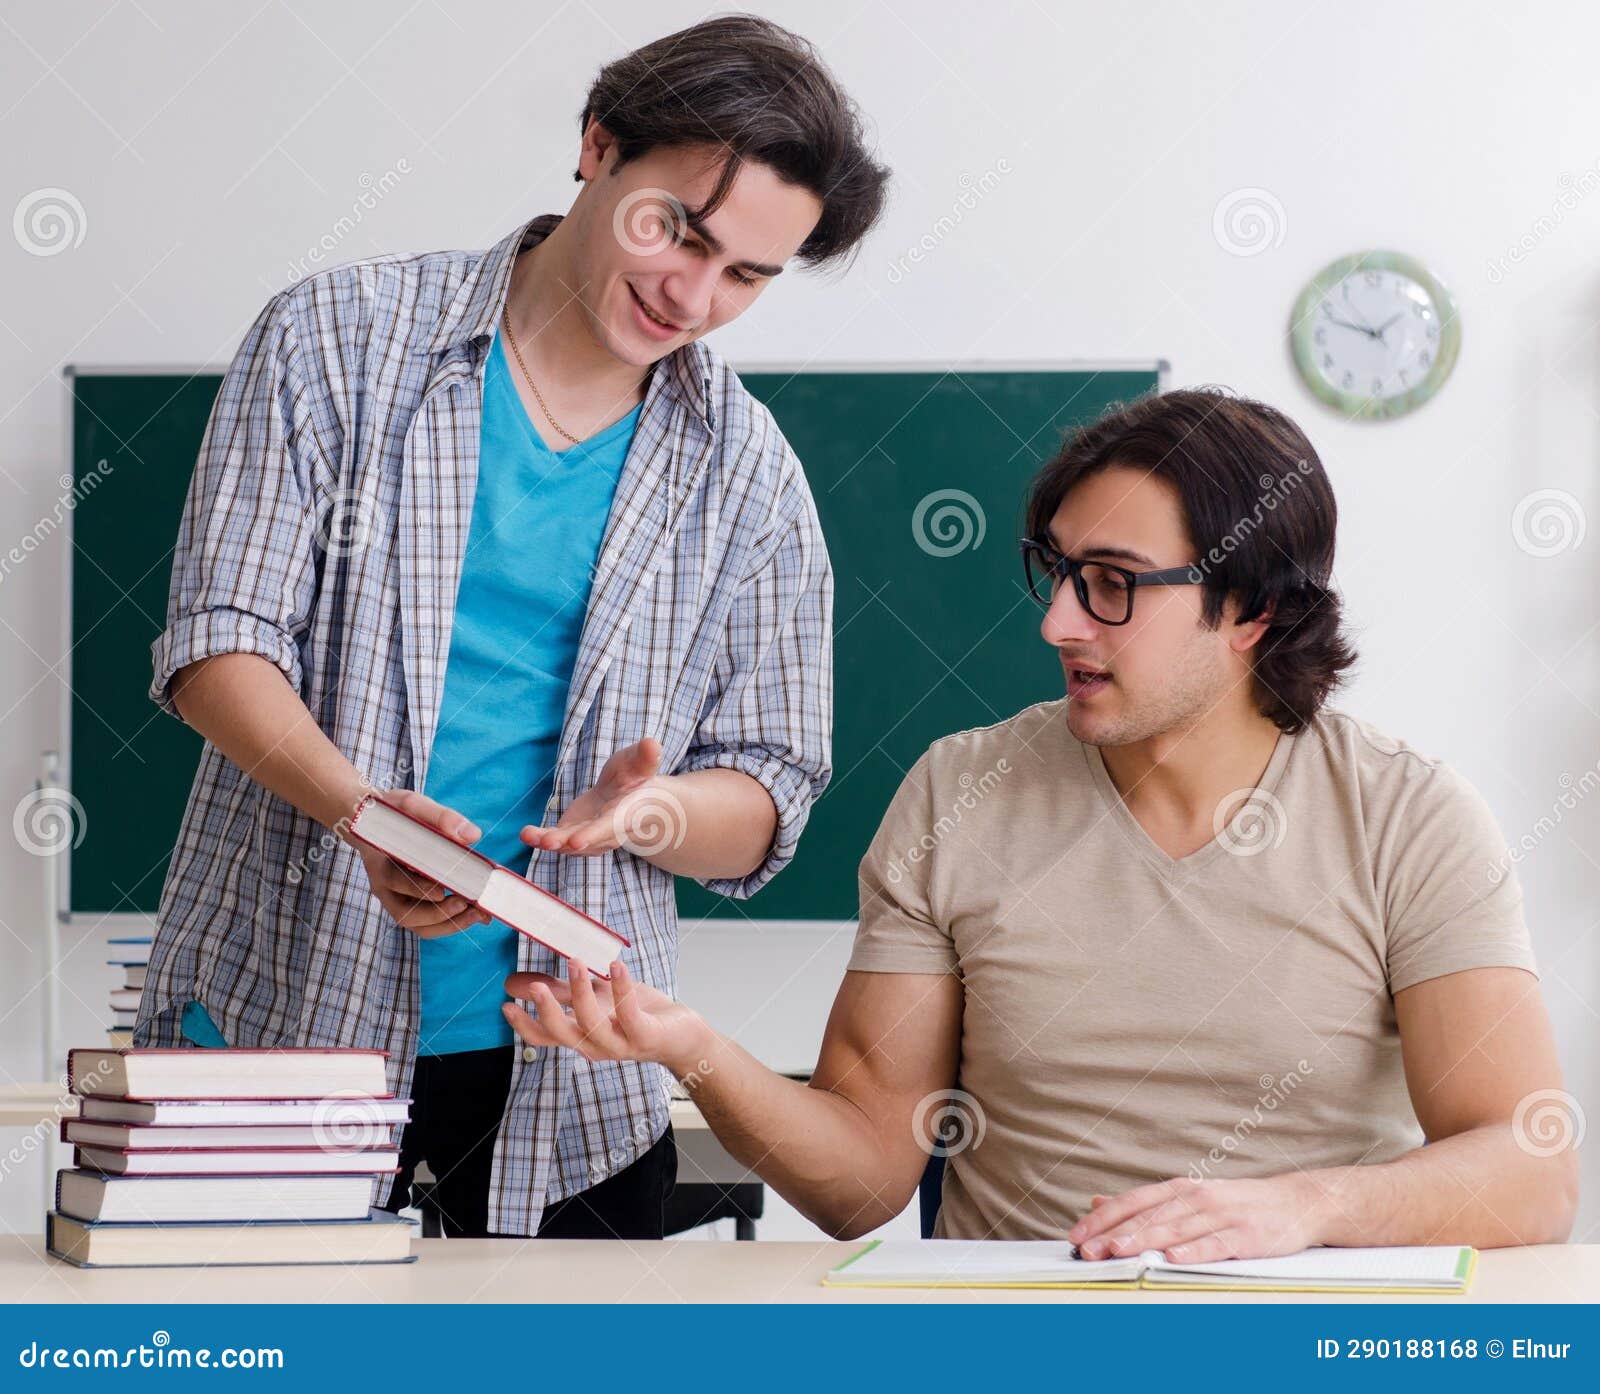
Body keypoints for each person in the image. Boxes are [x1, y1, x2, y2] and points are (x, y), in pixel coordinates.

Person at [505, 388, 1579, 1254]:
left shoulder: (1407, 815)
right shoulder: (959, 791)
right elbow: (864, 1178)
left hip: (1296, 1338)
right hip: (1018, 1342)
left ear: (1252, 608)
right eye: (1058, 571)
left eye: (1112, 583)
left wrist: (1300, 1208)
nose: (1057, 619)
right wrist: (687, 1046)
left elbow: (1531, 1168)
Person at [141, 15, 889, 1239]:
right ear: (596, 146)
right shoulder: (335, 339)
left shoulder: (751, 477)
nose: (692, 296)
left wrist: (649, 813)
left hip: (572, 1087)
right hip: (275, 1037)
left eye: (746, 276)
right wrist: (363, 812)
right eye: (678, 232)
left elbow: (769, 793)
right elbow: (218, 642)